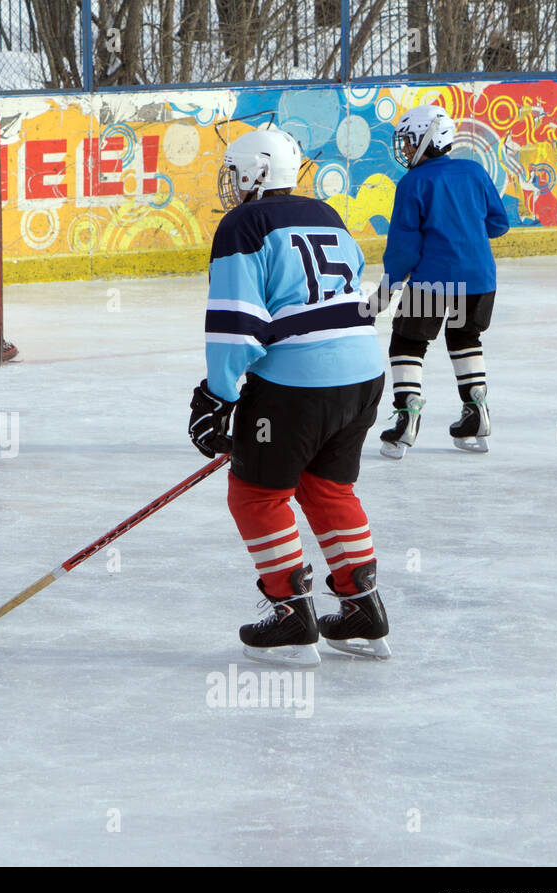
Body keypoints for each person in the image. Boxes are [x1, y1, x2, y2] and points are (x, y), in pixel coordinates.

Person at [187, 127, 390, 665]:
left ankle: (290, 615)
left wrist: (217, 395)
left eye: (234, 171)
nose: (230, 183)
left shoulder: (242, 224)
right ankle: (362, 610)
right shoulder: (327, 215)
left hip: (301, 382)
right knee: (327, 486)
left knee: (256, 494)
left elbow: (237, 322)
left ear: (254, 172)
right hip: (365, 371)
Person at [377, 104, 509, 457]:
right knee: (465, 336)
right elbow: (499, 224)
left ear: (428, 139)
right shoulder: (475, 171)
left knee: (407, 343)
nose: (404, 149)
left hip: (432, 284)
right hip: (480, 280)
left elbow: (404, 249)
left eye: (409, 141)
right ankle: (475, 412)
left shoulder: (412, 183)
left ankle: (406, 419)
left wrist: (386, 288)